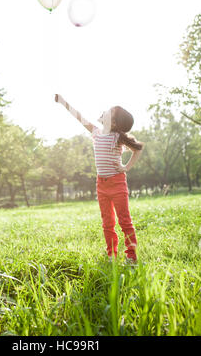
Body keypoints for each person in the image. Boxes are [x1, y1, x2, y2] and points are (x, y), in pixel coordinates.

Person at [55, 94, 144, 264]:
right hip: (101, 185)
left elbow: (137, 149)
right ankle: (111, 254)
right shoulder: (96, 132)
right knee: (107, 222)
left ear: (115, 123)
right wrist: (64, 102)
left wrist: (126, 167)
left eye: (110, 112)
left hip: (117, 183)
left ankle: (131, 255)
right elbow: (79, 117)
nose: (105, 111)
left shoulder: (118, 137)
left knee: (124, 221)